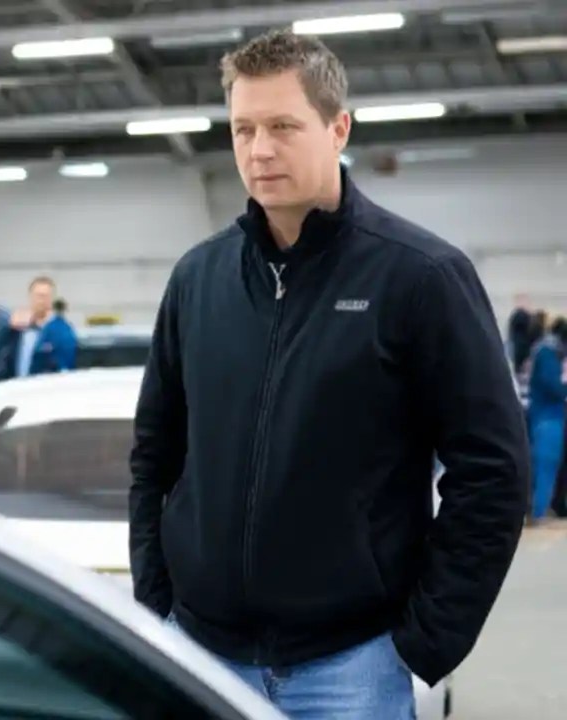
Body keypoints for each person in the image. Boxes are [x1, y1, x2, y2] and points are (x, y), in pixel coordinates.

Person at [129, 29, 528, 719]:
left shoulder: (419, 277)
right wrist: (156, 597)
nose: (259, 150)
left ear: (338, 127)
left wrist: (424, 642)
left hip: (350, 668)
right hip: (202, 652)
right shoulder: (199, 278)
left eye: (283, 126)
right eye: (243, 128)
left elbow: (493, 471)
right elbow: (154, 451)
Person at [526, 317, 567, 524]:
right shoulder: (548, 354)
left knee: (545, 465)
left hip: (547, 416)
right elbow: (553, 386)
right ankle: (538, 511)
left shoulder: (545, 351)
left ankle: (541, 508)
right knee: (546, 463)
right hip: (548, 417)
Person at [11, 276, 77, 377]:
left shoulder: (63, 331)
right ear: (30, 297)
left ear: (52, 299)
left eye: (45, 296)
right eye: (37, 296)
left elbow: (66, 367)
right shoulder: (20, 329)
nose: (41, 301)